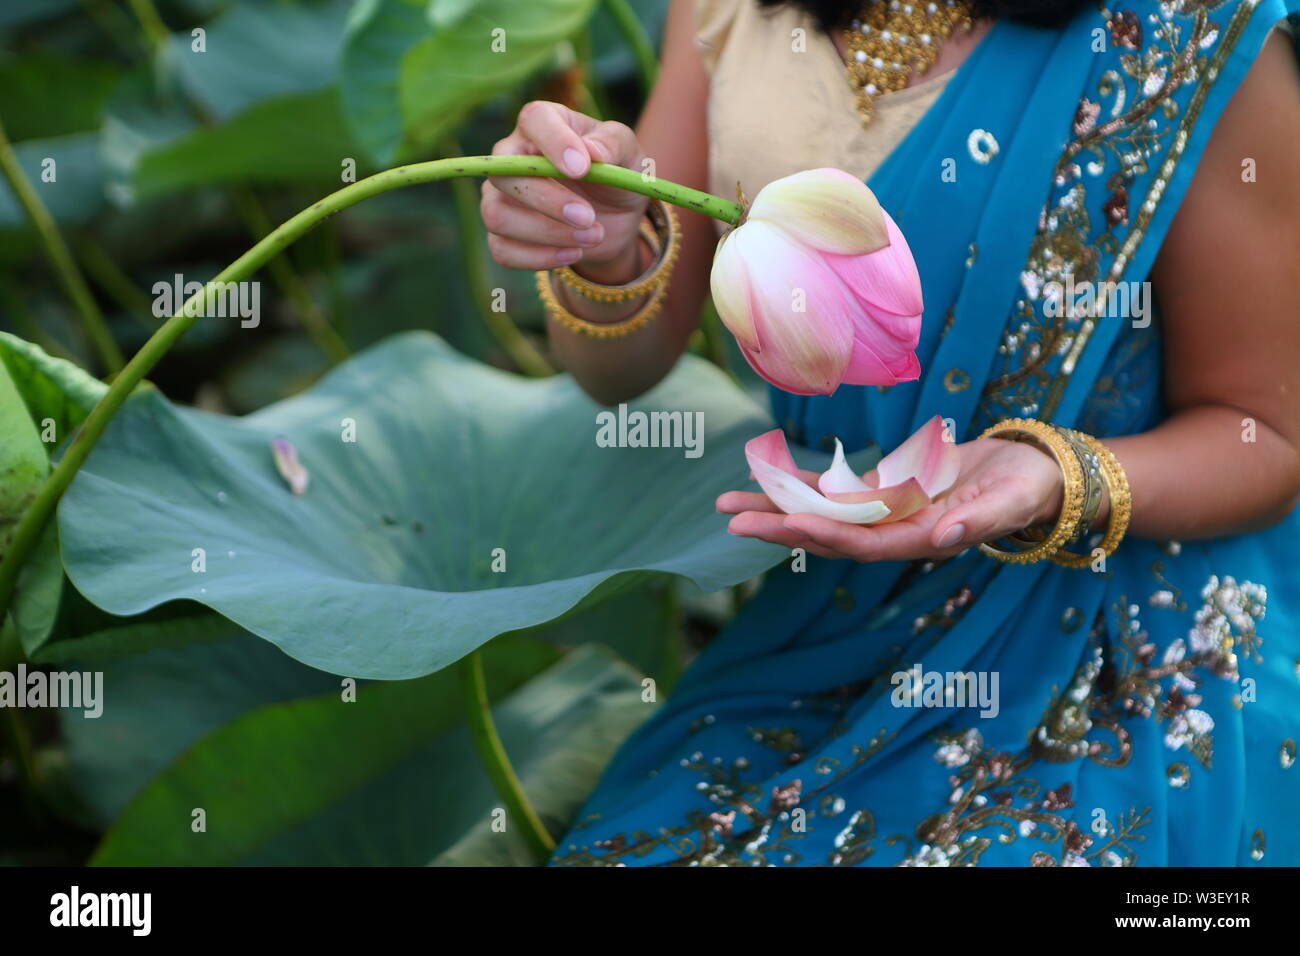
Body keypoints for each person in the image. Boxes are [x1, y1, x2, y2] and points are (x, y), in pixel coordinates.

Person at [480, 0, 1300, 866]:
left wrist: (1049, 476)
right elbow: (620, 368)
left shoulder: (1194, 28)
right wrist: (597, 243)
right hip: (828, 620)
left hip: (1114, 637)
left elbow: (1267, 436)